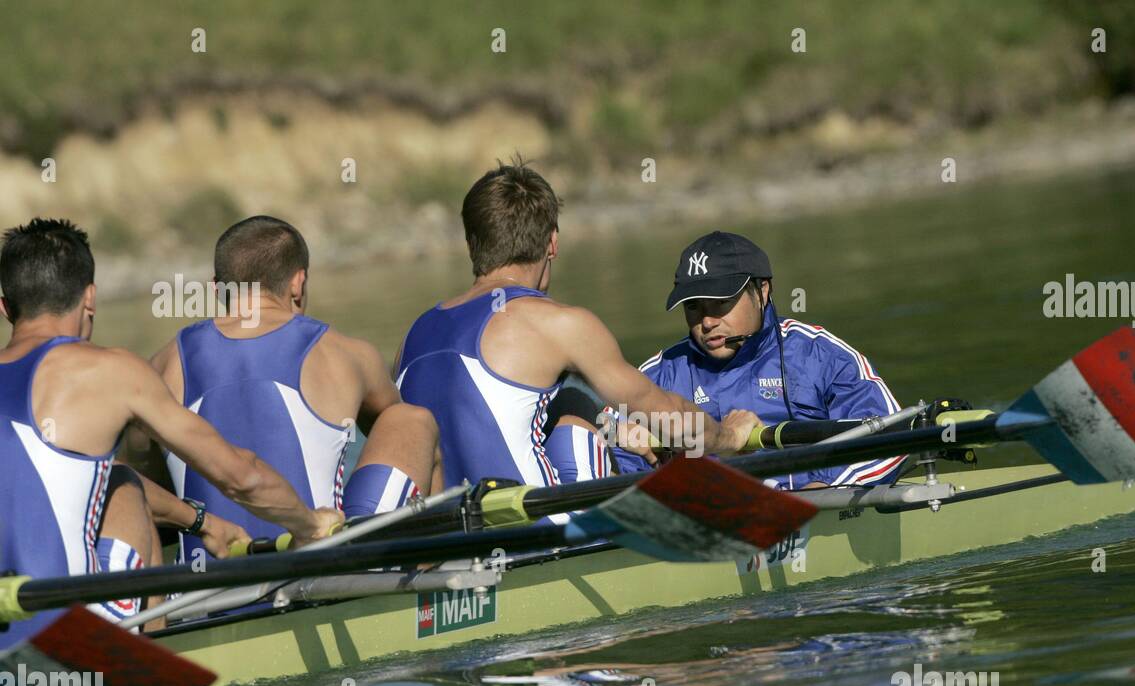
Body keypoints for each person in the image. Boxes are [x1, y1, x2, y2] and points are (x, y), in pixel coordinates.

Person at [0, 218, 338, 644]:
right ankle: (159, 656)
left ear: (5, 308)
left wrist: (202, 522)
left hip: (9, 622)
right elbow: (243, 477)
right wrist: (308, 525)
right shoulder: (111, 371)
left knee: (119, 479)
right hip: (68, 639)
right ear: (90, 298)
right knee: (128, 495)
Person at [394, 160, 759, 498]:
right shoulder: (561, 324)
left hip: (449, 539)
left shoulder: (414, 334)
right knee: (575, 403)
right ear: (552, 241)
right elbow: (672, 422)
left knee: (588, 413)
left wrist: (617, 430)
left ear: (471, 244)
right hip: (535, 536)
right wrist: (729, 435)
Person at [136, 216, 440, 564]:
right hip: (315, 582)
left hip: (200, 596)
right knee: (412, 421)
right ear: (298, 282)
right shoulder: (344, 353)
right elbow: (397, 436)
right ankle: (437, 584)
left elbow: (142, 483)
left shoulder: (159, 366)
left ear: (217, 289)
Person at [611, 231, 906, 489]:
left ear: (762, 290)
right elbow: (602, 461)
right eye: (694, 307)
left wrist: (825, 489)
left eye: (721, 303)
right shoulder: (657, 376)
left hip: (820, 511)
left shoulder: (817, 354)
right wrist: (640, 456)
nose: (708, 321)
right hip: (707, 523)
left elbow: (889, 436)